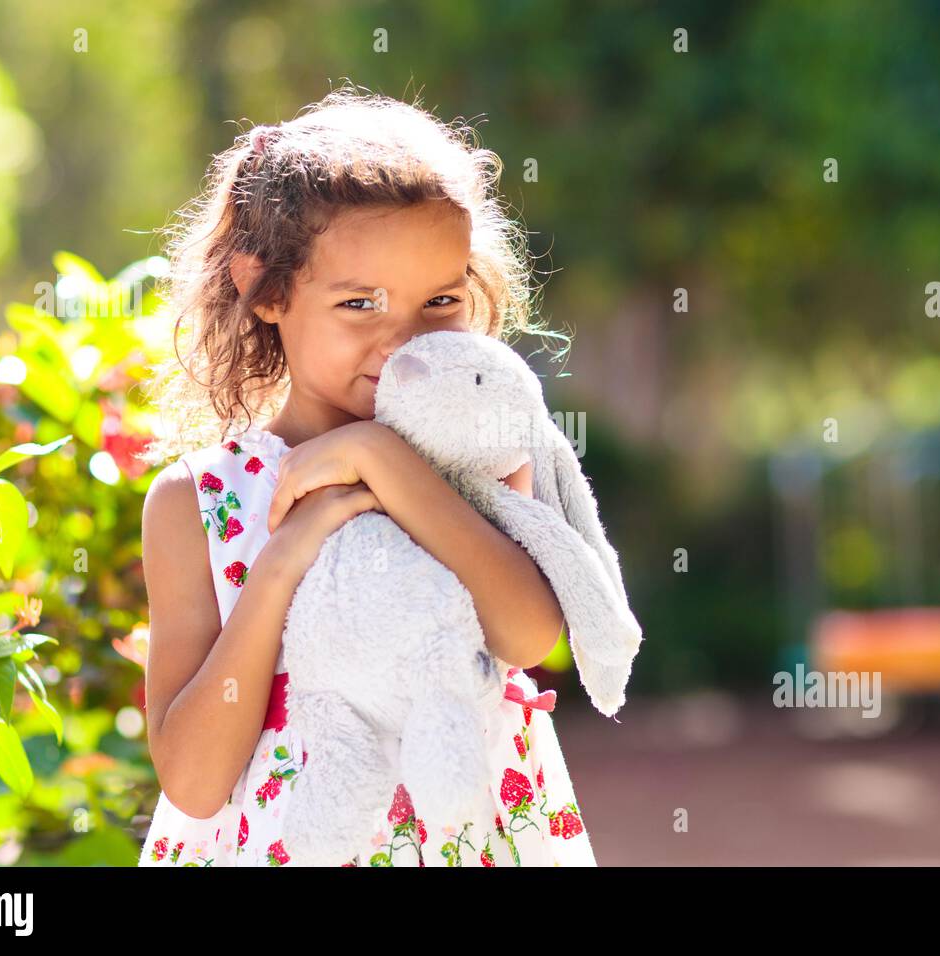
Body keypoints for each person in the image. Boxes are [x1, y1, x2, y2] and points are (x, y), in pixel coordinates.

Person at [134, 85, 599, 866]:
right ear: (265, 289)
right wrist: (282, 561)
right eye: (360, 304)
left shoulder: (479, 464)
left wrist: (386, 463)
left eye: (439, 301)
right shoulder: (199, 500)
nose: (404, 342)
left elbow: (526, 635)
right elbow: (193, 781)